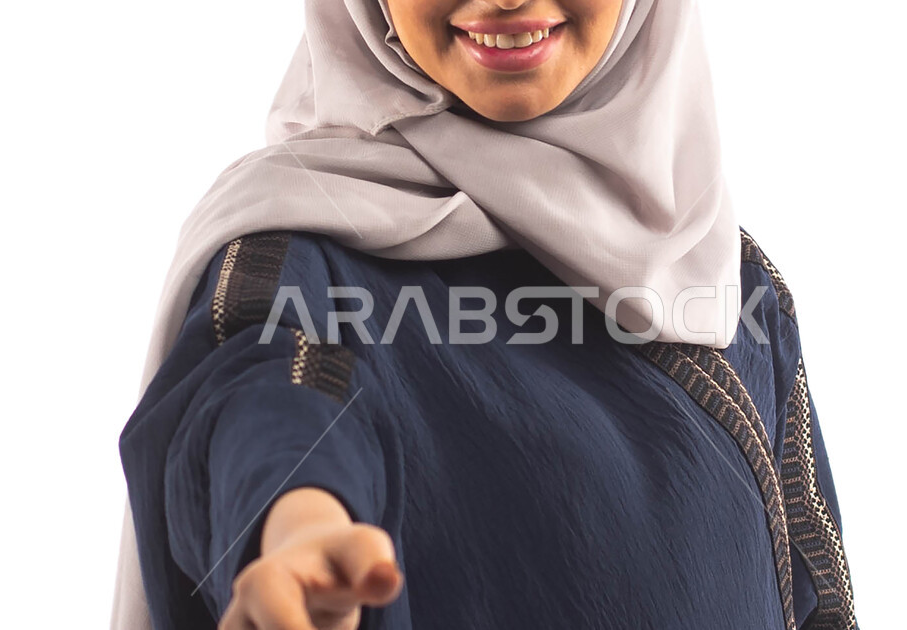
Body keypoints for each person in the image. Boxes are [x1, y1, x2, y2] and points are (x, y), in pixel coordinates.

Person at [112, 0, 860, 629]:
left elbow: (811, 593)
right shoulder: (307, 256)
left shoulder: (725, 280)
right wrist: (299, 524)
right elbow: (259, 397)